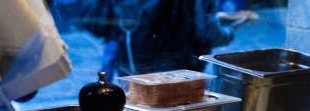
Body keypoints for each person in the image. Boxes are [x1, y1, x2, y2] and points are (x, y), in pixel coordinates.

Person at [76, 0, 247, 78]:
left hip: (133, 65)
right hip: (178, 71)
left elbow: (110, 20)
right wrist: (232, 28)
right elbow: (207, 34)